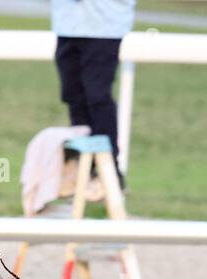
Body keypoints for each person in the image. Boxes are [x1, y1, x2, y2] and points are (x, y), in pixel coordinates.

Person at [52, 0, 136, 186]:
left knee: (97, 97)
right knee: (72, 94)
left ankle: (109, 167)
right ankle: (83, 163)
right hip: (66, 25)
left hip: (104, 27)